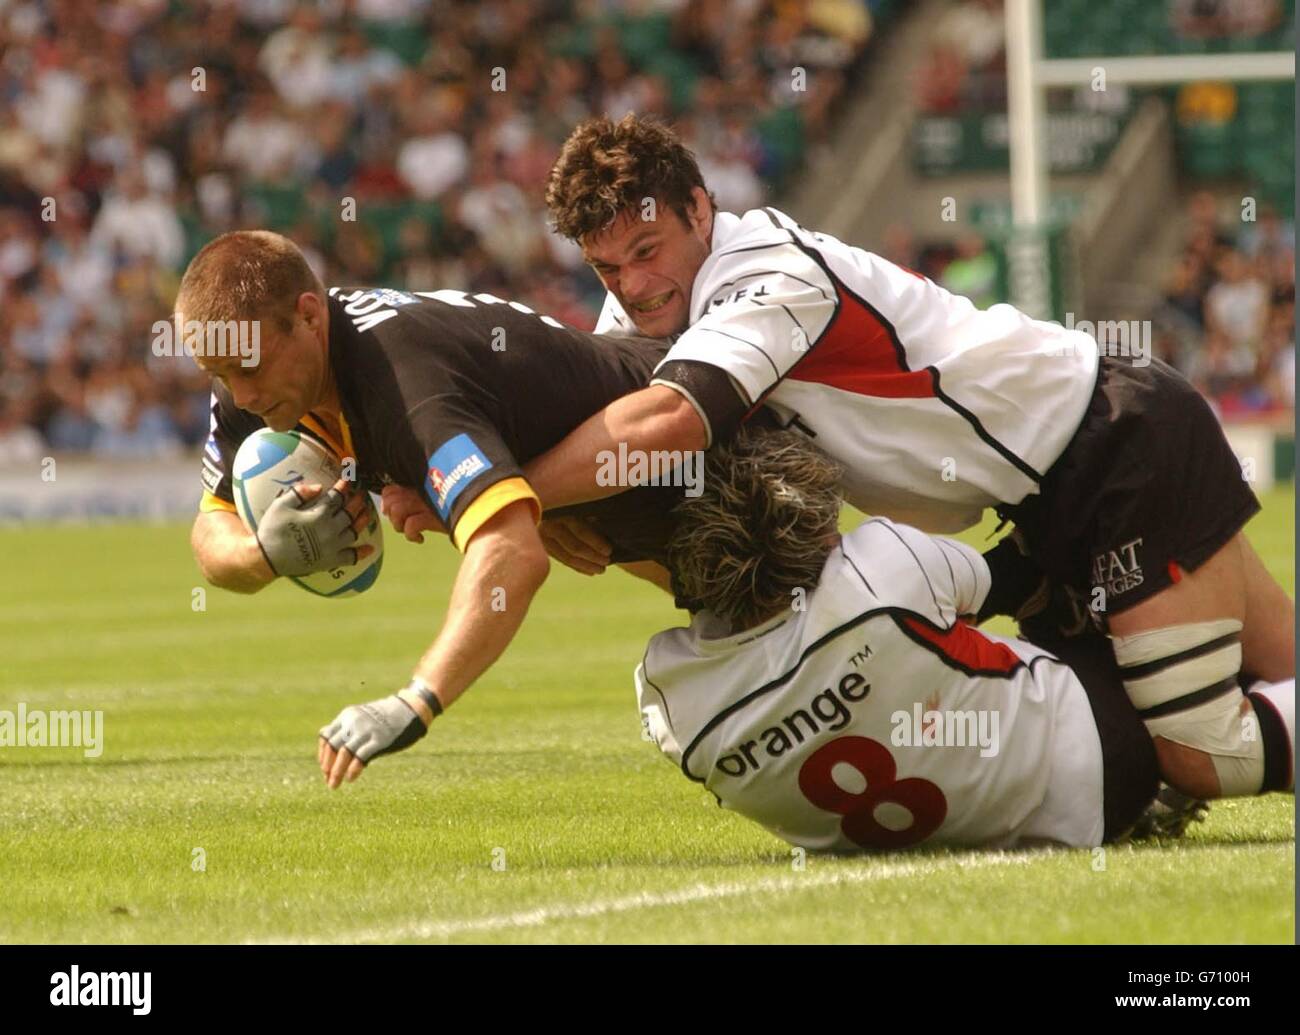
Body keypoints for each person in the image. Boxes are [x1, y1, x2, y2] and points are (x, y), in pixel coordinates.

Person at [508, 114, 1294, 803]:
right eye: (608, 267)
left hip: (1115, 441)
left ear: (700, 208)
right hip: (1045, 486)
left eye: (648, 249)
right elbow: (614, 442)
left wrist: (513, 495)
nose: (635, 286)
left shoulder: (767, 272)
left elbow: (672, 420)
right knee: (1272, 666)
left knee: (1199, 755)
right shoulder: (651, 301)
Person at [179, 230, 691, 789]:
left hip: (728, 455)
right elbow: (210, 531)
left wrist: (416, 700)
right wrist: (264, 554)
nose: (240, 396)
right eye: (219, 375)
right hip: (671, 542)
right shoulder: (257, 379)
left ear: (308, 316)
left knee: (715, 723)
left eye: (247, 370)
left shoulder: (402, 380)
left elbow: (512, 552)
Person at [637, 428, 1280, 851]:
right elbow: (1011, 577)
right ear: (812, 538)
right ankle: (1217, 727)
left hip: (969, 823)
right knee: (1136, 551)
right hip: (1107, 758)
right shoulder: (877, 569)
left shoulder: (673, 700)